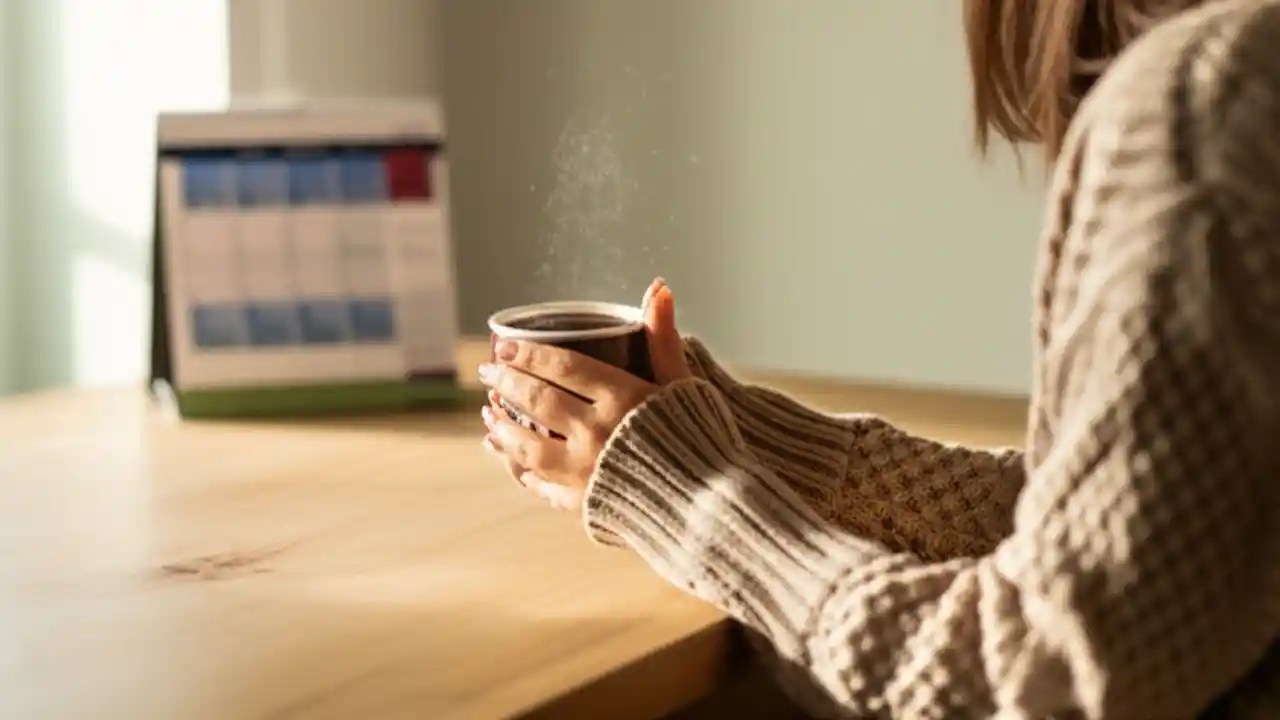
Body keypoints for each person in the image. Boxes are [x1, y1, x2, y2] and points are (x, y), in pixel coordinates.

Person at [479, 0, 1280, 716]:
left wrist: (688, 497)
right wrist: (745, 439)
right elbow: (1132, 535)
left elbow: (1046, 687)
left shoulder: (1211, 102)